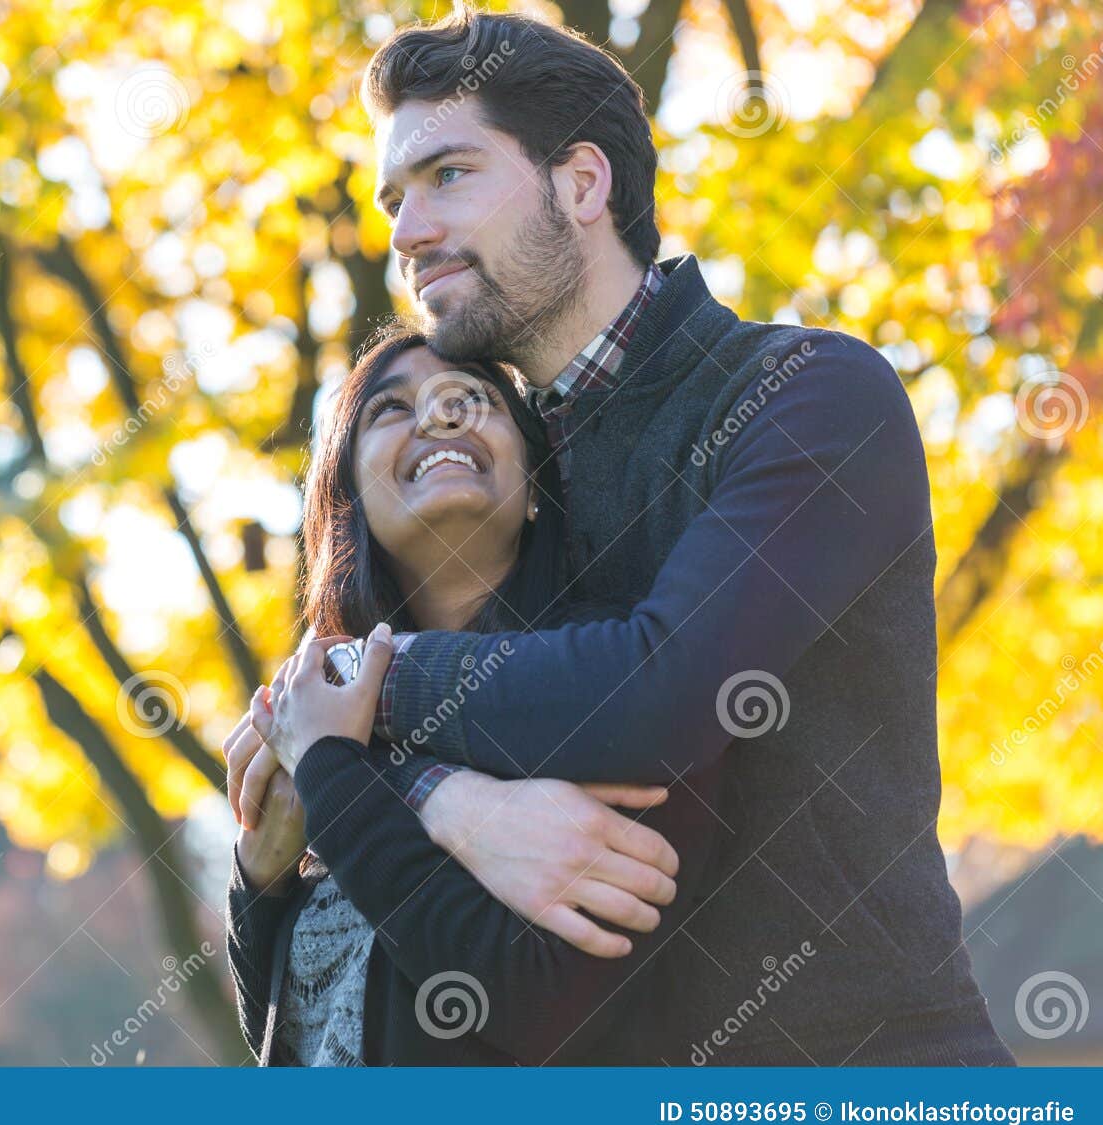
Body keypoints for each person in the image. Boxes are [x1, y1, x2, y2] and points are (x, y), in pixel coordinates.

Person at [228, 6, 1013, 1066]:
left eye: (448, 174)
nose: (405, 231)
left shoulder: (807, 399)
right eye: (392, 198)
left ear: (582, 184)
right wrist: (422, 792)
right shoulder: (521, 482)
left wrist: (359, 705)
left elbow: (658, 697)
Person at [226, 324, 716, 1065]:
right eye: (389, 409)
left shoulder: (604, 693)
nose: (437, 415)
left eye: (472, 397)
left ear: (533, 494)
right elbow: (291, 1027)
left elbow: (543, 1007)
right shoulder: (321, 716)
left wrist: (338, 773)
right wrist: (256, 883)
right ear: (352, 500)